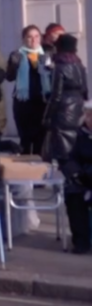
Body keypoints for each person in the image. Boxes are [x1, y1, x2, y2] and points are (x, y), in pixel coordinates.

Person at [43, 34, 87, 167]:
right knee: (74, 144)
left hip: (63, 109)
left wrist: (47, 116)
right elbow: (85, 90)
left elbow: (56, 95)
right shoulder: (80, 65)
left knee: (62, 148)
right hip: (77, 106)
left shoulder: (60, 66)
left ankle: (65, 174)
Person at [6, 25, 51, 155]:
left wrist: (49, 66)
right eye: (29, 37)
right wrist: (14, 65)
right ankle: (25, 164)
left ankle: (38, 165)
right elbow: (9, 77)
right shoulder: (17, 54)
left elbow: (54, 78)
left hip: (42, 101)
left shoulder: (47, 55)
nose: (33, 40)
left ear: (40, 38)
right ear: (24, 39)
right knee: (25, 139)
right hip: (23, 102)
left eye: (36, 36)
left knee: (40, 140)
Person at [59, 102, 92, 254]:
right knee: (74, 196)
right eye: (88, 115)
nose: (90, 119)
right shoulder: (77, 135)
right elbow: (68, 159)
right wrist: (77, 174)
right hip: (82, 179)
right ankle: (81, 242)